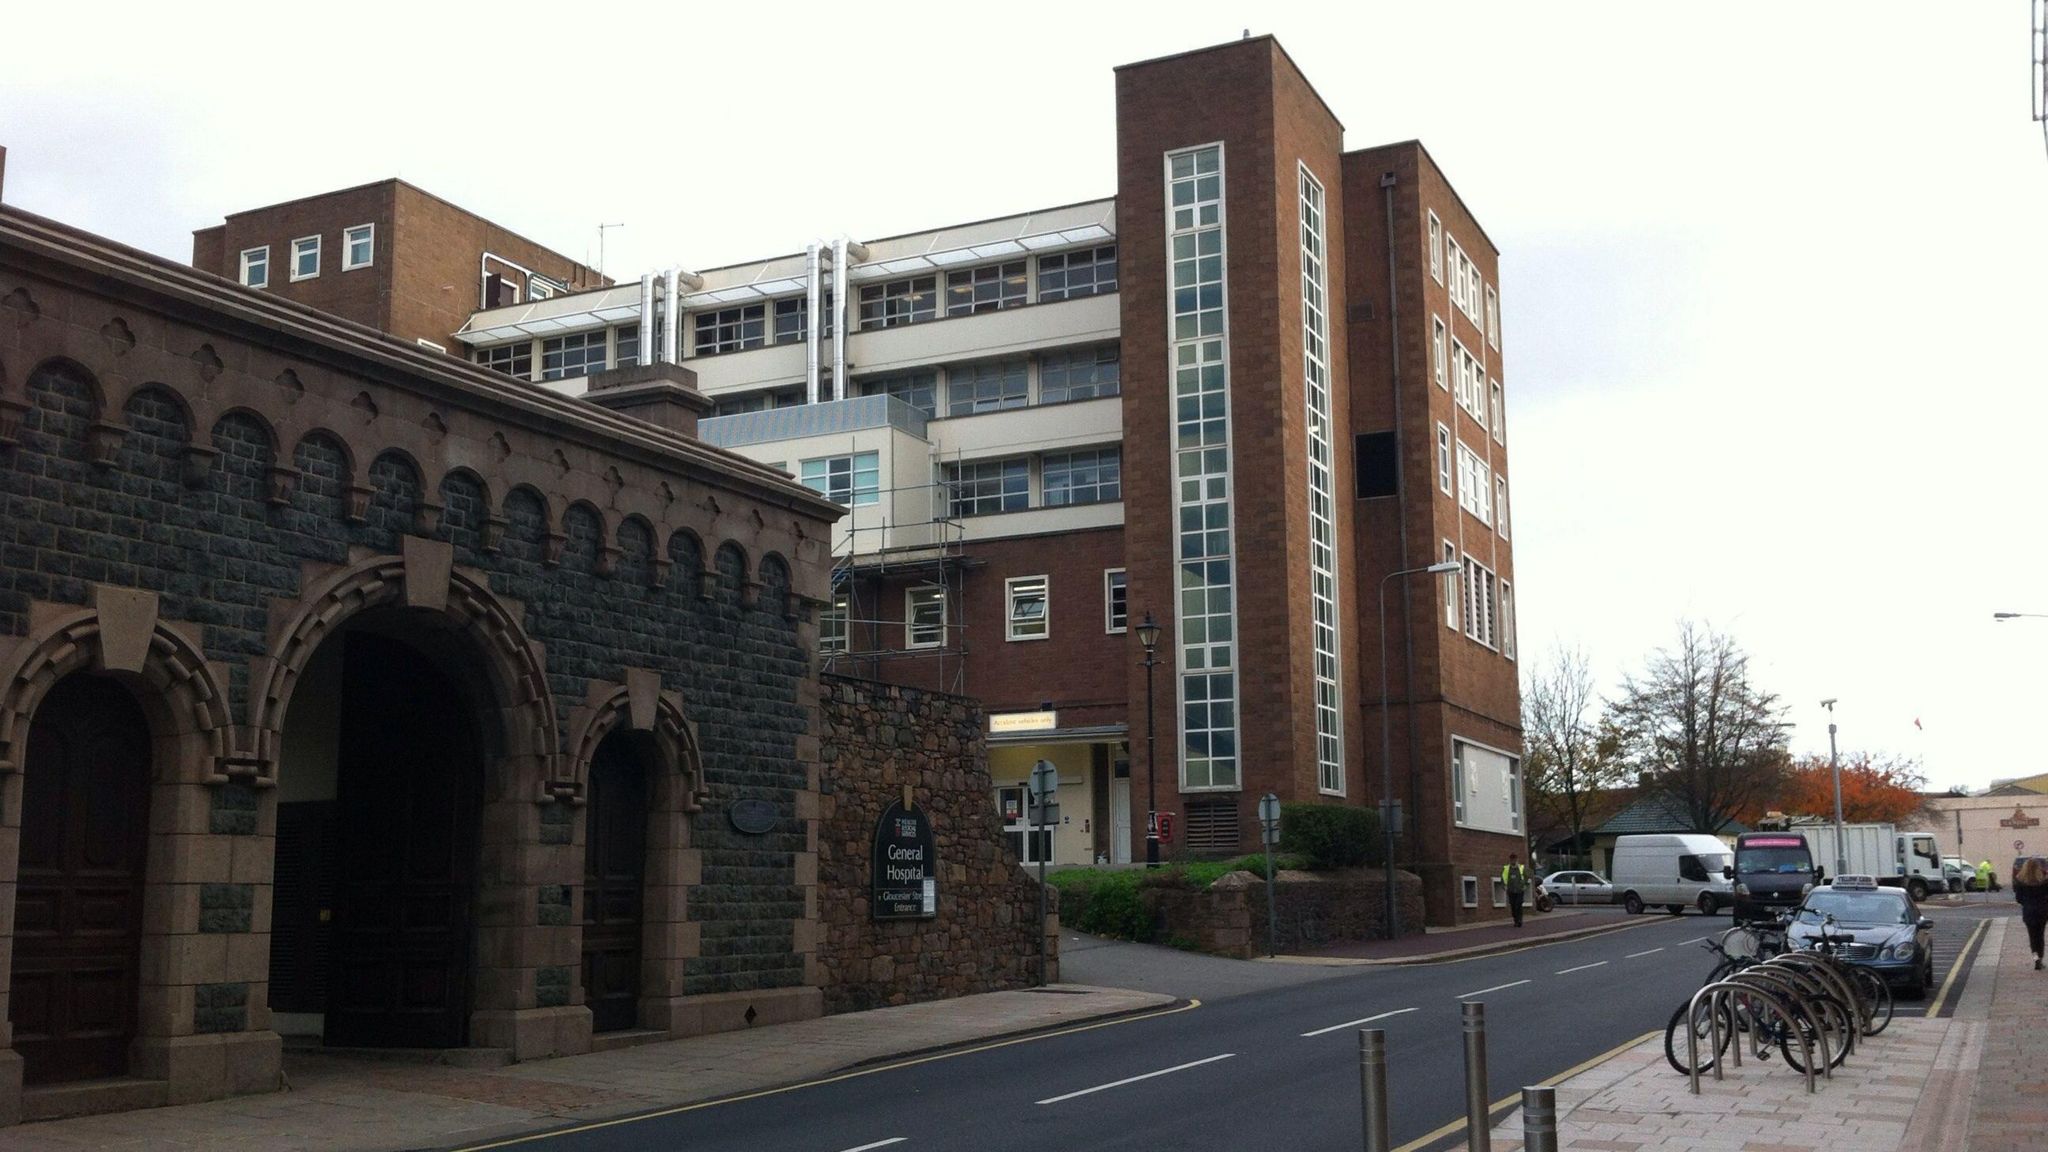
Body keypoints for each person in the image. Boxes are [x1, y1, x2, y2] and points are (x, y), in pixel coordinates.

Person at [2015, 857, 2048, 970]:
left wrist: (2026, 902)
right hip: (2042, 911)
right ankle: (2040, 959)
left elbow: (2018, 899)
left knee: (2032, 937)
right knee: (2040, 936)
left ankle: (2036, 958)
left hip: (2028, 912)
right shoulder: (2044, 882)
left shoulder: (2020, 882)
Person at [1502, 854, 1531, 928]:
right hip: (1511, 890)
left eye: (1514, 859)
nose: (1513, 861)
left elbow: (1527, 876)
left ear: (1517, 860)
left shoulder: (1521, 868)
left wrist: (1524, 884)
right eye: (1512, 859)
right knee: (1513, 906)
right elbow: (1503, 878)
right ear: (1510, 860)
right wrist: (1504, 886)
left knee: (1518, 905)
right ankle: (1515, 919)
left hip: (1519, 890)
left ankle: (1519, 920)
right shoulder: (1506, 869)